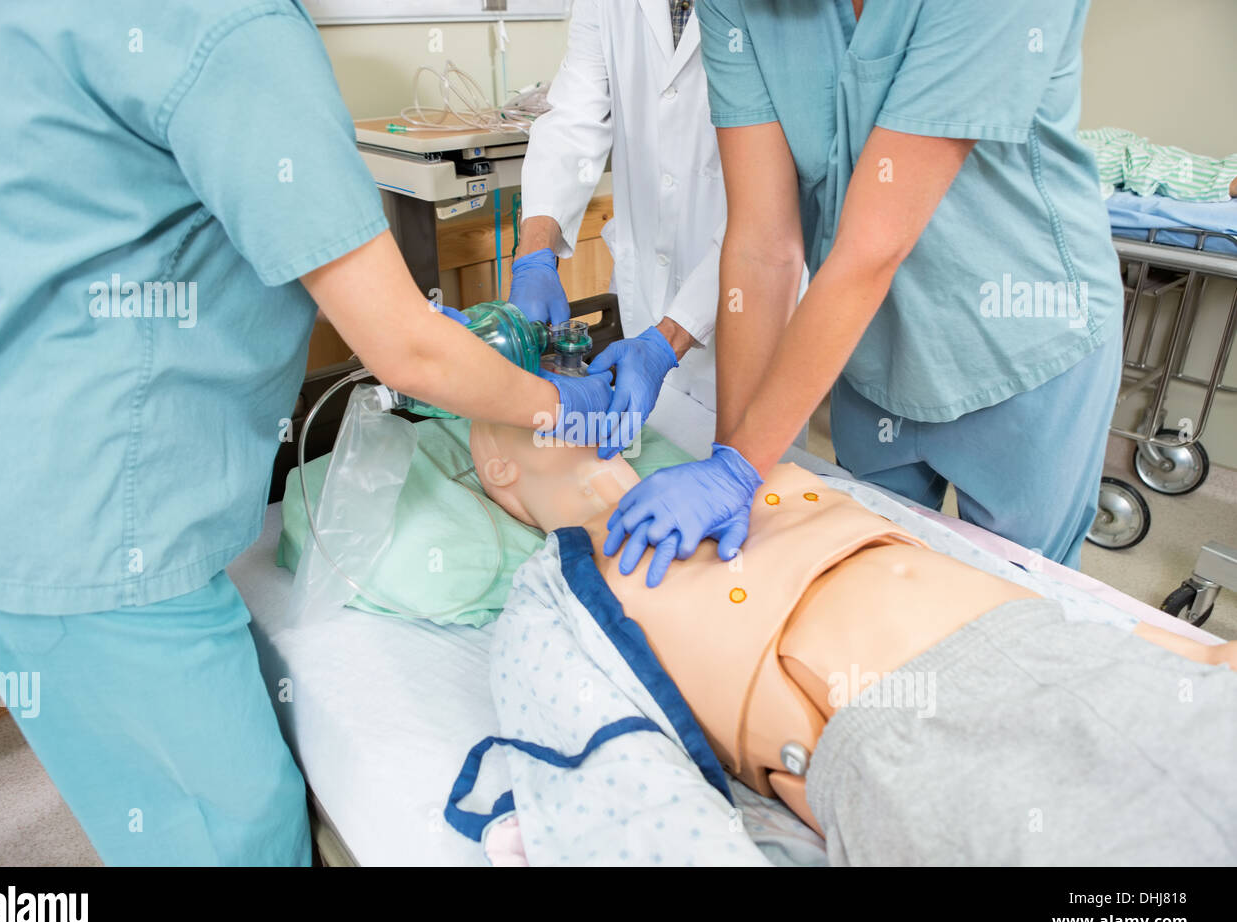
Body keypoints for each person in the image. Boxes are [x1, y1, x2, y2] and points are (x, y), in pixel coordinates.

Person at [0, 0, 612, 865]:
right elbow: (406, 348)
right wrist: (556, 408)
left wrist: (498, 381)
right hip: (88, 526)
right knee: (237, 830)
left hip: (14, 476)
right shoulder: (233, 27)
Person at [467, 421, 1237, 865]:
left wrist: (1160, 647)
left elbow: (945, 553)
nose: (570, 382)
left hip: (1067, 651)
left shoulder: (749, 466)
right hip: (914, 747)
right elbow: (612, 770)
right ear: (495, 461)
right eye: (529, 384)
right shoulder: (555, 589)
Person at [605, 0, 1126, 585]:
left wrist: (739, 471)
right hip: (871, 350)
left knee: (1014, 598)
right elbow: (762, 245)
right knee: (871, 577)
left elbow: (871, 246)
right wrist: (731, 466)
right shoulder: (740, 7)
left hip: (1021, 348)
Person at [512, 0, 753, 453]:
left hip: (746, 304)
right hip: (643, 290)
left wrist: (671, 339)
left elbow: (775, 210)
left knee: (747, 479)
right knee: (645, 442)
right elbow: (574, 118)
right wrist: (534, 252)